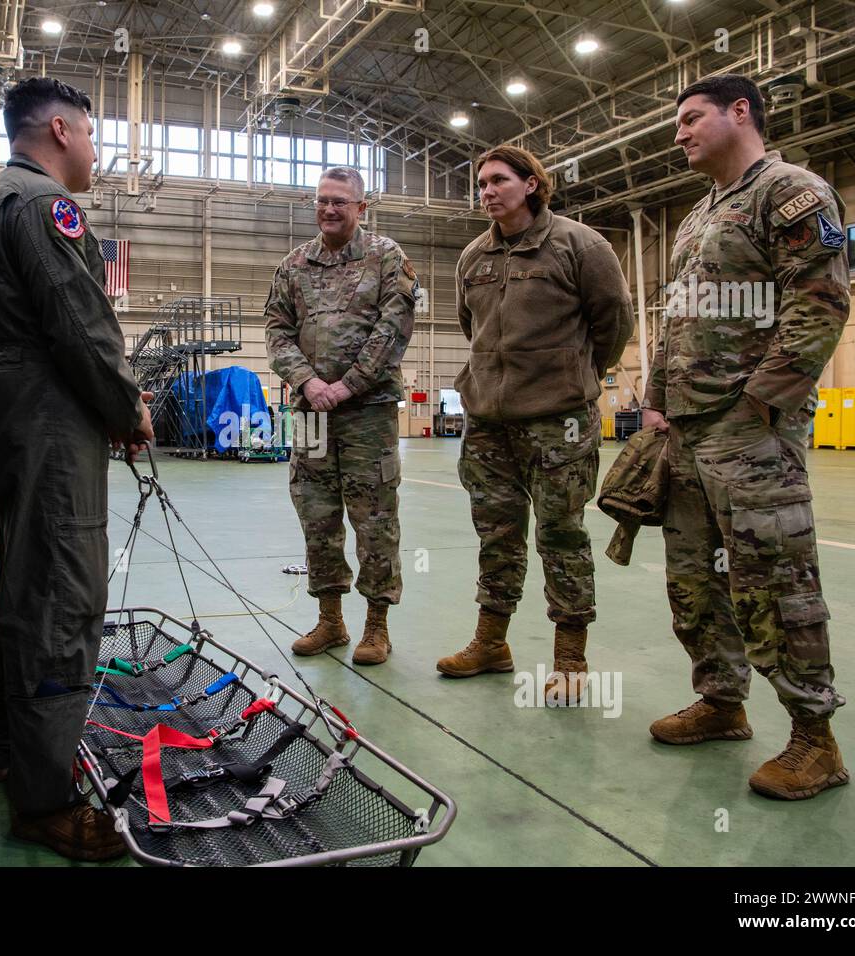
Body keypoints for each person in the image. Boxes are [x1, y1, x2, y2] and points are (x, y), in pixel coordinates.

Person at [642, 73, 851, 800]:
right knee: (694, 581)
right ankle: (723, 703)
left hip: (753, 431)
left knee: (774, 582)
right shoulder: (699, 215)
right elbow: (677, 319)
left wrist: (760, 407)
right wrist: (656, 403)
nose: (680, 132)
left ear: (741, 113)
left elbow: (820, 303)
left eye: (692, 118)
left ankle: (815, 740)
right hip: (690, 431)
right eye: (678, 122)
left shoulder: (789, 191)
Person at [0, 77, 152, 859]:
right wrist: (126, 406)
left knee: (25, 578)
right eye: (93, 134)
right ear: (63, 130)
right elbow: (80, 322)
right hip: (48, 410)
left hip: (8, 402)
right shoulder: (47, 206)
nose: (97, 152)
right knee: (63, 595)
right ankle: (47, 804)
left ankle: (7, 751)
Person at [435, 144, 633, 706]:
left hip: (558, 422)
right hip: (488, 422)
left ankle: (571, 660)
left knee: (561, 534)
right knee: (496, 534)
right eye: (481, 183)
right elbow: (469, 325)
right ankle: (491, 642)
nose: (487, 191)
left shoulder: (579, 244)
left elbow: (613, 321)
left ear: (532, 184)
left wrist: (576, 376)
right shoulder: (474, 256)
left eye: (498, 180)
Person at [264, 166, 417, 665]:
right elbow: (276, 330)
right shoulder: (293, 264)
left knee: (374, 517)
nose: (329, 209)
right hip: (310, 414)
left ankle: (377, 626)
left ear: (361, 208)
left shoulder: (386, 257)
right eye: (322, 200)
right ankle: (330, 620)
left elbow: (392, 328)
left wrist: (347, 386)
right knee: (316, 513)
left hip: (367, 412)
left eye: (340, 202)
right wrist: (309, 383)